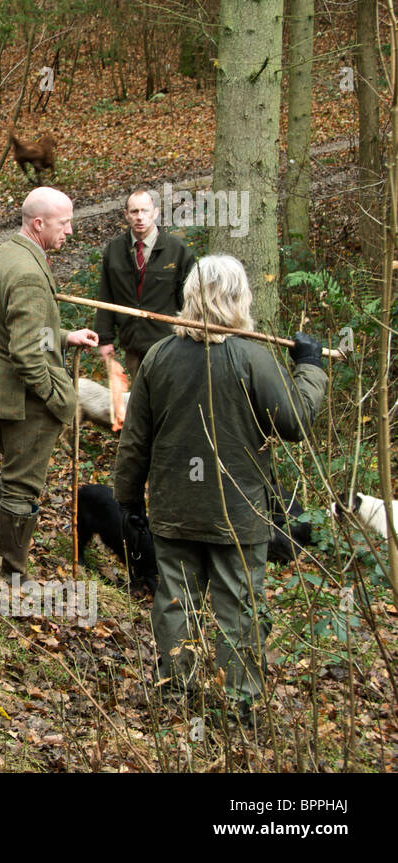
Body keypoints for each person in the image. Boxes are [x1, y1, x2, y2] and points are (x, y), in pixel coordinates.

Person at [114, 256, 325, 721]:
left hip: (180, 509)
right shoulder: (252, 357)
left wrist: (126, 497)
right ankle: (240, 704)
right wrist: (311, 368)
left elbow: (135, 441)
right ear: (238, 299)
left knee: (176, 603)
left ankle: (178, 695)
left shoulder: (160, 356)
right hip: (237, 512)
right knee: (237, 610)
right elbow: (295, 420)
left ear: (191, 297)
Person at [0, 187, 99, 579]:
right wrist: (59, 399)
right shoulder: (28, 274)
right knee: (23, 489)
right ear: (39, 223)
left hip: (2, 395)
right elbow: (26, 353)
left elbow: (15, 331)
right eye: (64, 222)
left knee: (12, 477)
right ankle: (14, 576)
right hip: (26, 402)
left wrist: (63, 335)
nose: (70, 230)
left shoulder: (4, 255)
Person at [94, 187, 197, 377]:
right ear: (126, 215)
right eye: (134, 211)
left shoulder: (177, 250)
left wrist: (191, 339)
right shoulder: (114, 250)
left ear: (155, 213)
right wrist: (104, 339)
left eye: (145, 211)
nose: (140, 217)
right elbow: (106, 297)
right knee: (139, 400)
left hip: (168, 345)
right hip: (132, 346)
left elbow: (190, 300)